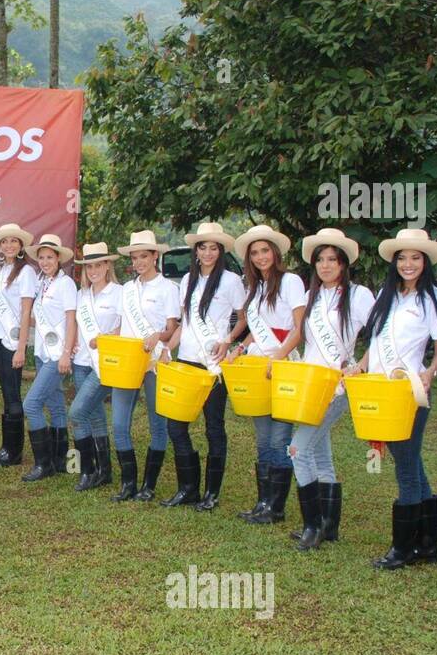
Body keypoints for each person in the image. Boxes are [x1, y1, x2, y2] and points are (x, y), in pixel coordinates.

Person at [355, 228, 437, 569]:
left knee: (407, 465)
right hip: (379, 388)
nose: (408, 264)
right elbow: (376, 342)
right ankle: (428, 543)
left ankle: (403, 548)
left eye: (415, 258)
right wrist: (361, 365)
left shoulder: (436, 298)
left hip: (409, 390)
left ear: (425, 262)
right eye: (402, 258)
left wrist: (430, 374)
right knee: (407, 460)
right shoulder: (388, 294)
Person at [288, 228, 375, 551]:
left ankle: (312, 525)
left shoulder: (360, 295)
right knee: (320, 452)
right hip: (309, 384)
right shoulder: (313, 296)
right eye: (320, 260)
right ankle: (327, 524)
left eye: (332, 260)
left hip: (336, 387)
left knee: (297, 449)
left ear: (344, 264)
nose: (325, 266)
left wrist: (361, 364)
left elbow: (381, 333)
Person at [161, 222, 247, 511]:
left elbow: (244, 318)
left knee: (214, 427)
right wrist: (166, 348)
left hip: (214, 364)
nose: (208, 252)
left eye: (213, 247)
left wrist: (230, 340)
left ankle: (212, 492)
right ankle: (188, 488)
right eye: (203, 247)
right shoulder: (187, 280)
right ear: (195, 251)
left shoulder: (232, 281)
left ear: (220, 251)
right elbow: (185, 323)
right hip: (186, 360)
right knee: (176, 425)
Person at [229, 224, 306, 525]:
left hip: (284, 366)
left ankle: (276, 506)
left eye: (265, 251)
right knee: (262, 439)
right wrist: (240, 347)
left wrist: (281, 355)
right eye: (255, 253)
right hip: (259, 367)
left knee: (279, 439)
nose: (261, 257)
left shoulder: (291, 282)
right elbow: (259, 331)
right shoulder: (255, 287)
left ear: (275, 252)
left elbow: (298, 329)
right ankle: (263, 502)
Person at [111, 230, 180, 501]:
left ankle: (148, 486)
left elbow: (172, 328)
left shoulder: (168, 289)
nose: (139, 262)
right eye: (135, 257)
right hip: (128, 362)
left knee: (157, 423)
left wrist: (158, 336)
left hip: (155, 361)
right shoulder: (127, 289)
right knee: (118, 424)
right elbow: (119, 326)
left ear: (155, 256)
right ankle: (128, 483)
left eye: (144, 256)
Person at [20, 234, 78, 482]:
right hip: (43, 352)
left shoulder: (66, 285)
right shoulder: (41, 283)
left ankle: (43, 464)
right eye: (41, 257)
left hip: (58, 355)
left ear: (59, 259)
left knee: (31, 405)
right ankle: (60, 460)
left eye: (49, 257)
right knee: (55, 406)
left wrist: (66, 352)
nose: (45, 261)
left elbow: (70, 319)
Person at [0, 224, 36, 467]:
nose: (9, 245)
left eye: (14, 241)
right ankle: (6, 448)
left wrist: (21, 347)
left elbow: (25, 312)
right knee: (6, 394)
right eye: (5, 242)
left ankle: (14, 453)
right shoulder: (3, 271)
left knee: (13, 395)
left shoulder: (26, 272)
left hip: (14, 342)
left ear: (21, 245)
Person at [68, 242, 123, 492]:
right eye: (89, 266)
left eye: (98, 265)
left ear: (107, 265)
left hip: (105, 365)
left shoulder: (120, 293)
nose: (93, 270)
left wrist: (107, 337)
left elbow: (125, 326)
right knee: (94, 416)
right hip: (81, 362)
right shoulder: (81, 295)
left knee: (76, 413)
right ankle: (104, 471)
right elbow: (76, 325)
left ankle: (87, 471)